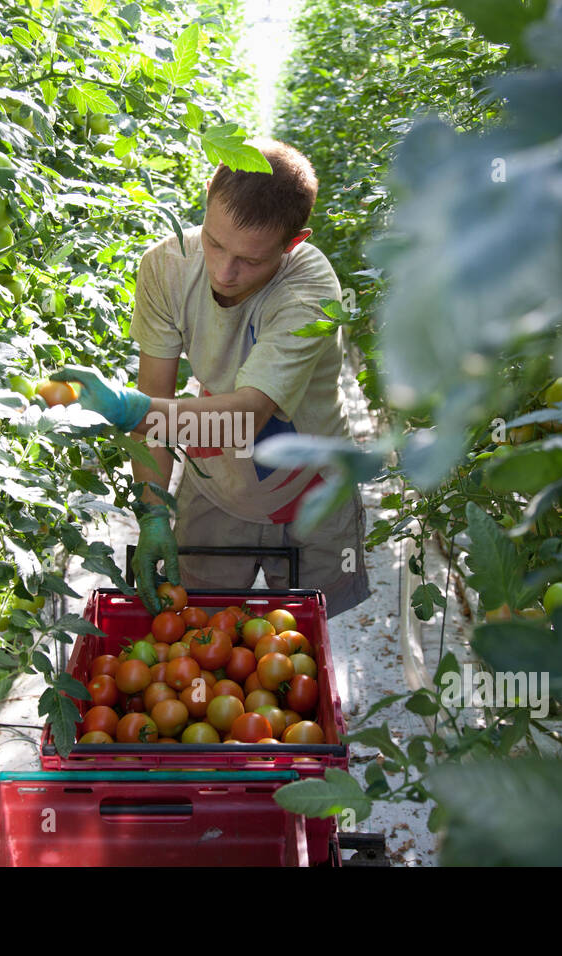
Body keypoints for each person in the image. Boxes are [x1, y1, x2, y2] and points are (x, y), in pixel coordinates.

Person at [55, 137, 369, 617]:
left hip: (313, 487)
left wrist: (125, 409)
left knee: (305, 633)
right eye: (216, 243)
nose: (224, 271)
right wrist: (154, 510)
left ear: (293, 243)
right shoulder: (167, 267)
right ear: (206, 198)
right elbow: (155, 396)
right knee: (199, 621)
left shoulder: (311, 292)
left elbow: (244, 417)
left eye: (252, 259)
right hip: (217, 480)